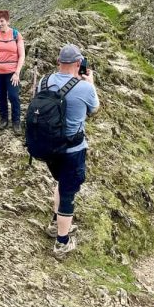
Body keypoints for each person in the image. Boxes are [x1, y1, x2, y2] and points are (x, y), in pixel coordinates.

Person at [40, 44, 99, 258]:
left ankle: (56, 223)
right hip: (73, 149)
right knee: (68, 193)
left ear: (58, 62)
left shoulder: (44, 81)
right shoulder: (85, 88)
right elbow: (94, 110)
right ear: (78, 64)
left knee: (60, 182)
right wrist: (90, 83)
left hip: (49, 147)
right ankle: (62, 242)